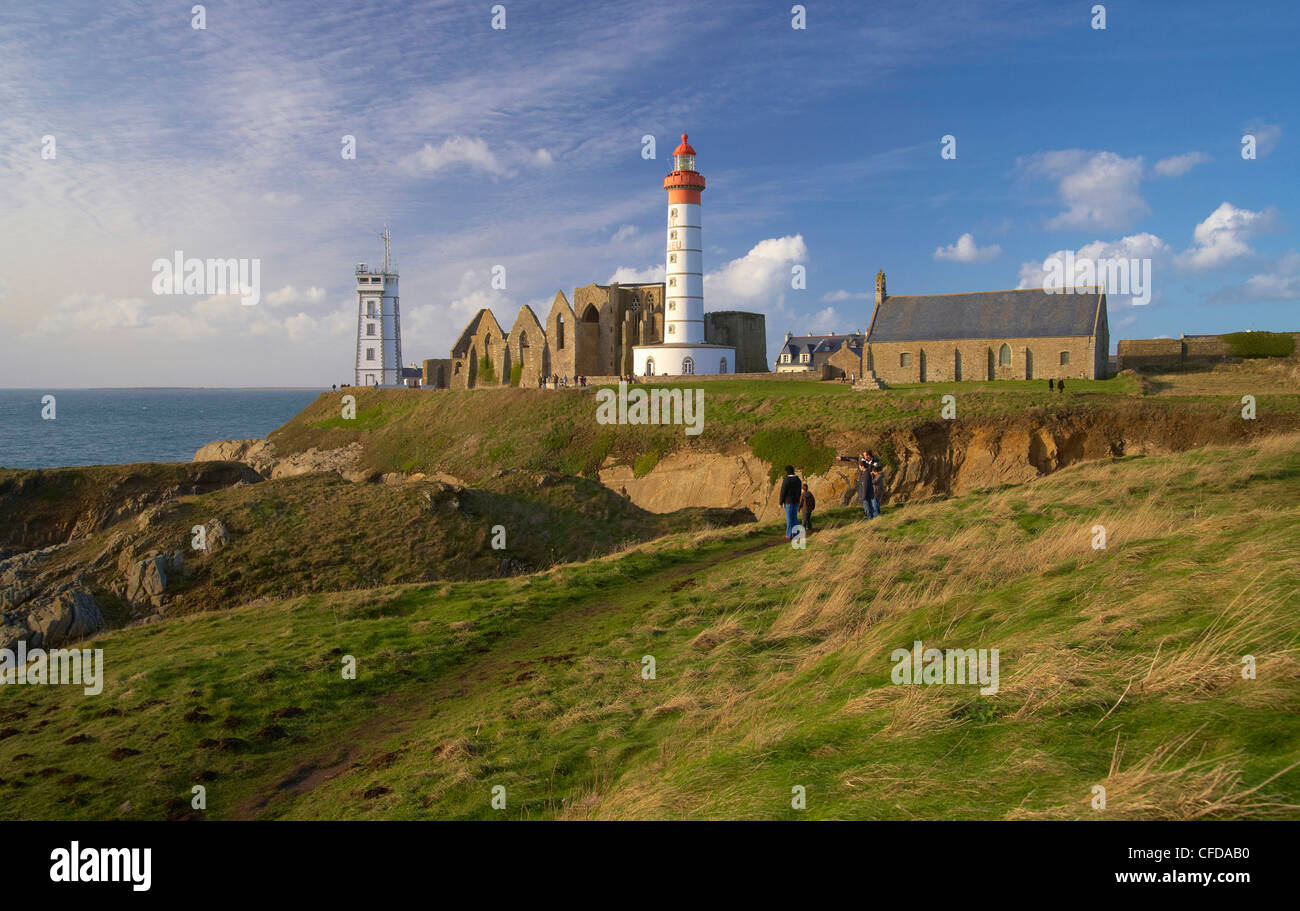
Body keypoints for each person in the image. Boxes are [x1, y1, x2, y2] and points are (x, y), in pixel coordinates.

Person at [778, 466, 802, 540]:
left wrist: (780, 503)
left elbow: (783, 492)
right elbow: (799, 492)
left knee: (789, 519)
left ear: (787, 472)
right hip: (796, 501)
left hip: (788, 502)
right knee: (795, 518)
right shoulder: (798, 480)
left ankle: (789, 535)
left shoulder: (786, 480)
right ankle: (796, 533)